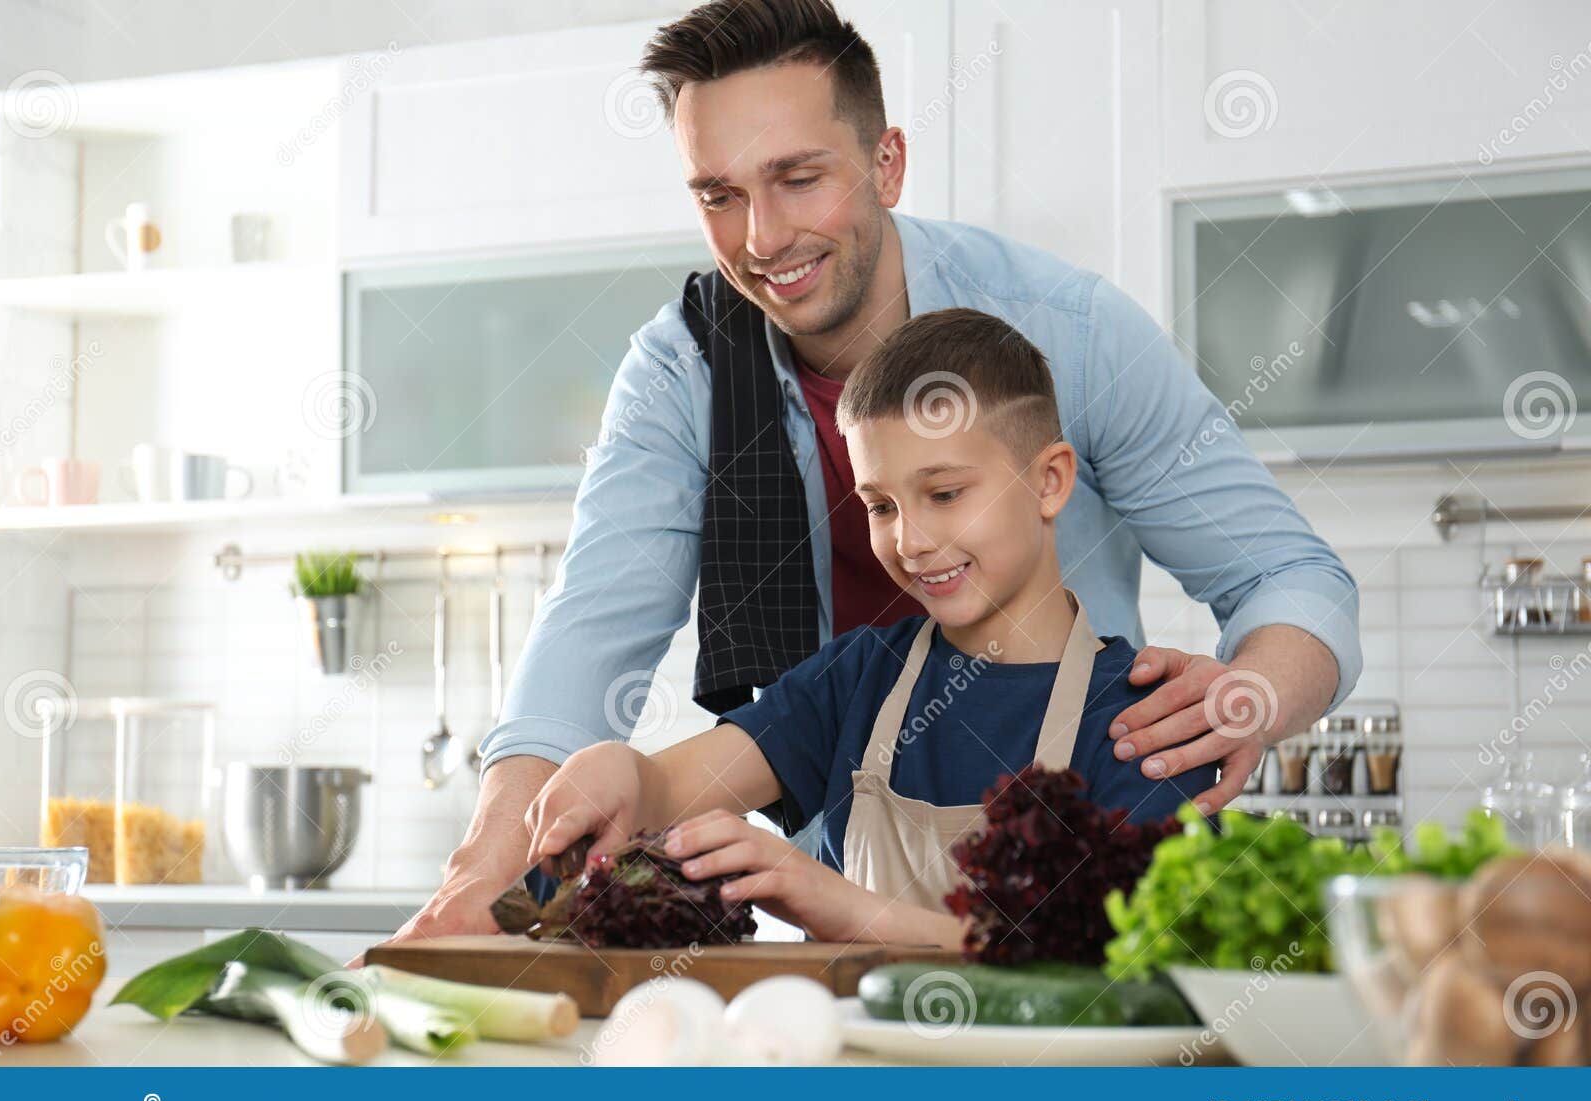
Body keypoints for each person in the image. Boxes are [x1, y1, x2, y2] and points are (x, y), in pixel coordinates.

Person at [380, 0, 1358, 949]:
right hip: (825, 882)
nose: (761, 237)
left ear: (886, 162)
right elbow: (588, 646)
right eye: (718, 194)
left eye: (798, 177)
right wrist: (492, 867)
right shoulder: (686, 378)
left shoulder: (1068, 334)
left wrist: (1247, 697)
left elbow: (1287, 575)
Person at [519, 308, 1216, 946]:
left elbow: (1133, 958)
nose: (910, 539)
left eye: (944, 494)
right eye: (880, 506)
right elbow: (666, 789)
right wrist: (618, 770)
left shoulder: (1142, 717)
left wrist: (838, 903)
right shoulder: (856, 677)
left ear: (1050, 481)